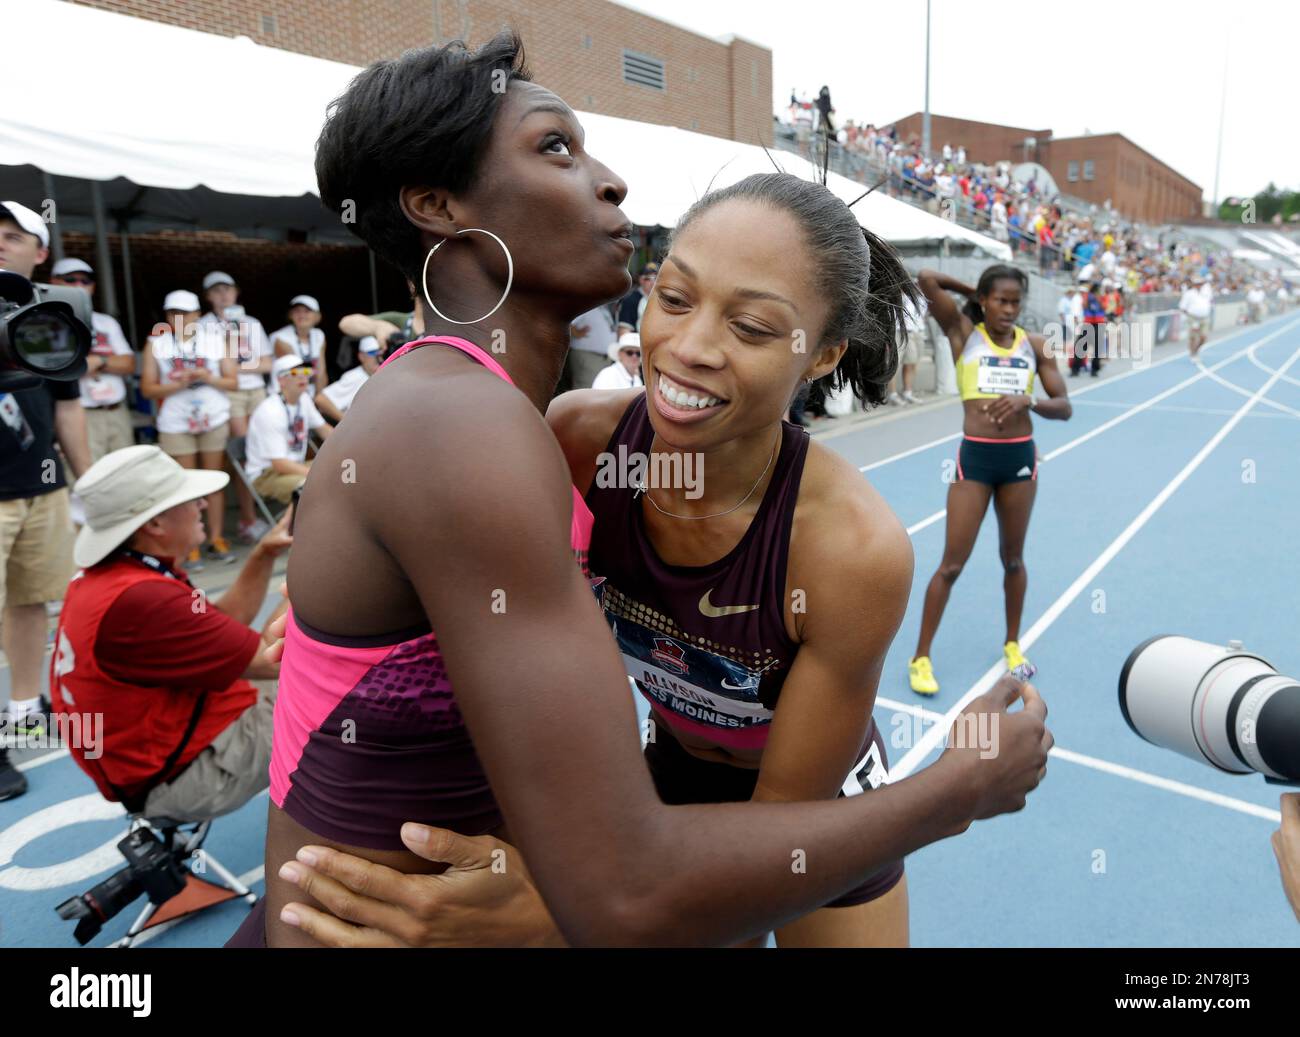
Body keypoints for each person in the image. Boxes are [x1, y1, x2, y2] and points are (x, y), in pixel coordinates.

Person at [233, 33, 1050, 950]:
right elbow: (626, 893)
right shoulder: (540, 433)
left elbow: (723, 850)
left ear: (818, 357)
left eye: (750, 323)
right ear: (437, 205)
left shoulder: (842, 543)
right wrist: (960, 788)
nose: (611, 178)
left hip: (785, 810)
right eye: (557, 147)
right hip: (585, 844)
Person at [50, 445, 288, 820]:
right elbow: (275, 661)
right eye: (190, 499)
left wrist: (264, 554)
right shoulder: (146, 600)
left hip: (148, 769)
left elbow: (222, 624)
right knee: (333, 689)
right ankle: (338, 835)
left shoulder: (117, 579)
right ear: (155, 525)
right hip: (181, 778)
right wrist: (312, 569)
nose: (204, 506)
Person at [908, 266, 1072, 696]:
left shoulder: (1034, 346)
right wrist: (974, 292)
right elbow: (927, 279)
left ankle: (1013, 645)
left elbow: (1065, 406)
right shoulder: (965, 334)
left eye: (1016, 301)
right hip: (976, 460)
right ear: (985, 300)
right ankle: (920, 657)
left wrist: (1029, 399)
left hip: (1019, 460)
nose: (1009, 309)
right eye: (1000, 299)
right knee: (951, 564)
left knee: (1013, 560)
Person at [0, 200, 92, 802]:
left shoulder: (49, 310)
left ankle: (22, 712)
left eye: (12, 236)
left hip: (40, 482)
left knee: (31, 600)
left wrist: (92, 483)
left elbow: (67, 403)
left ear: (40, 251)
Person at [139, 290, 238, 570]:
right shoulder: (156, 343)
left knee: (214, 482)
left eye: (184, 313)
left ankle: (215, 538)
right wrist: (178, 384)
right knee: (184, 485)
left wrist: (207, 376)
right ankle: (189, 545)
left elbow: (233, 382)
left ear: (197, 315)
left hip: (212, 416)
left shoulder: (215, 340)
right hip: (176, 420)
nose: (178, 319)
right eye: (173, 314)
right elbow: (147, 389)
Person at [198, 271, 274, 544]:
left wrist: (235, 367)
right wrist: (235, 367)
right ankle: (247, 519)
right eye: (216, 291)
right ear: (208, 296)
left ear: (236, 292)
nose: (223, 295)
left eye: (227, 289)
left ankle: (265, 513)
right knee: (242, 455)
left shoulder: (250, 321)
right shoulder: (203, 325)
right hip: (227, 393)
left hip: (256, 390)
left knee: (261, 450)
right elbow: (211, 366)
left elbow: (267, 363)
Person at [49, 258, 136, 462]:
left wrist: (99, 362)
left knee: (127, 474)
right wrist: (93, 363)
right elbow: (55, 370)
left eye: (85, 281)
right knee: (86, 482)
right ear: (54, 282)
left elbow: (129, 363)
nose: (79, 285)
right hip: (79, 413)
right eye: (70, 280)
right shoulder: (46, 322)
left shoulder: (106, 321)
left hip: (115, 410)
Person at [244, 354, 331, 503]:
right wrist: (316, 475)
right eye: (296, 373)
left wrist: (349, 447)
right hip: (267, 475)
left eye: (306, 371)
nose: (304, 377)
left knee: (344, 470)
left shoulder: (303, 399)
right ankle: (294, 525)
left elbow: (324, 430)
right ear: (281, 380)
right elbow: (279, 464)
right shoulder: (270, 411)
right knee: (315, 486)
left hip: (295, 466)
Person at [315, 336, 383, 423]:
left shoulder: (384, 374)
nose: (377, 358)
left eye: (380, 353)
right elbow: (321, 399)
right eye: (372, 353)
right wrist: (347, 422)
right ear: (361, 356)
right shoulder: (355, 376)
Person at [270, 295, 328, 386]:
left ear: (317, 316)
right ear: (290, 315)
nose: (301, 315)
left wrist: (318, 397)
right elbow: (296, 373)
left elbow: (321, 371)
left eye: (307, 311)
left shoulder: (319, 335)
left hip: (308, 393)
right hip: (285, 393)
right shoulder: (280, 338)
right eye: (297, 311)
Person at [561, 301, 618, 391]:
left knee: (598, 392)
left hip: (603, 359)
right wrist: (576, 332)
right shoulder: (585, 305)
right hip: (587, 356)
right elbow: (564, 321)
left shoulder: (602, 307)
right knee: (585, 392)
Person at [888, 293, 927, 405]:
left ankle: (908, 392)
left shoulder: (920, 294)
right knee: (894, 364)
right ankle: (893, 394)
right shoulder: (898, 292)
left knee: (911, 362)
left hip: (915, 330)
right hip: (898, 330)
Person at [1070, 282, 1107, 378]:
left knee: (1097, 349)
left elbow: (1104, 307)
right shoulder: (1087, 296)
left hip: (1098, 324)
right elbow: (1084, 306)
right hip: (1088, 323)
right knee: (1080, 346)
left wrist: (1098, 299)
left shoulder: (1102, 297)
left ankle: (1095, 369)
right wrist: (1090, 296)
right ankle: (1075, 369)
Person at [617, 262, 657, 333]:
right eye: (648, 279)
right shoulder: (630, 300)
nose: (653, 282)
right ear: (641, 280)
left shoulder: (659, 300)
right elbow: (624, 331)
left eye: (656, 278)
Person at [1179, 276, 1212, 358]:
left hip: (1204, 317)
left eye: (1200, 284)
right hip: (1193, 317)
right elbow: (1182, 307)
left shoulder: (1206, 293)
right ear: (1194, 285)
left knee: (1204, 337)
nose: (1199, 286)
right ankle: (1192, 353)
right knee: (1193, 337)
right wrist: (1189, 317)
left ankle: (1196, 350)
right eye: (1197, 284)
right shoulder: (1189, 294)